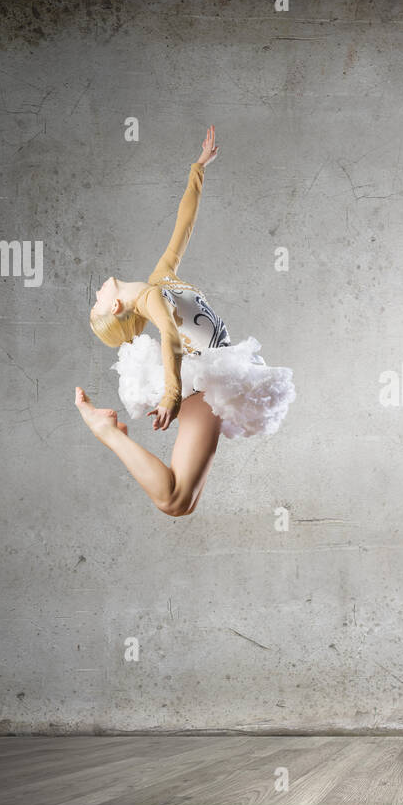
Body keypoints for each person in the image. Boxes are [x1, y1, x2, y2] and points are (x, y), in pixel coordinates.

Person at [75, 125, 295, 517]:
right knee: (175, 501)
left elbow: (184, 225)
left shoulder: (160, 280)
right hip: (202, 386)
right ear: (115, 310)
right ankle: (105, 431)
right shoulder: (147, 299)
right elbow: (170, 338)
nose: (96, 295)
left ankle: (108, 432)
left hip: (213, 381)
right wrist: (172, 396)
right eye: (97, 304)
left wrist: (198, 170)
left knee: (181, 502)